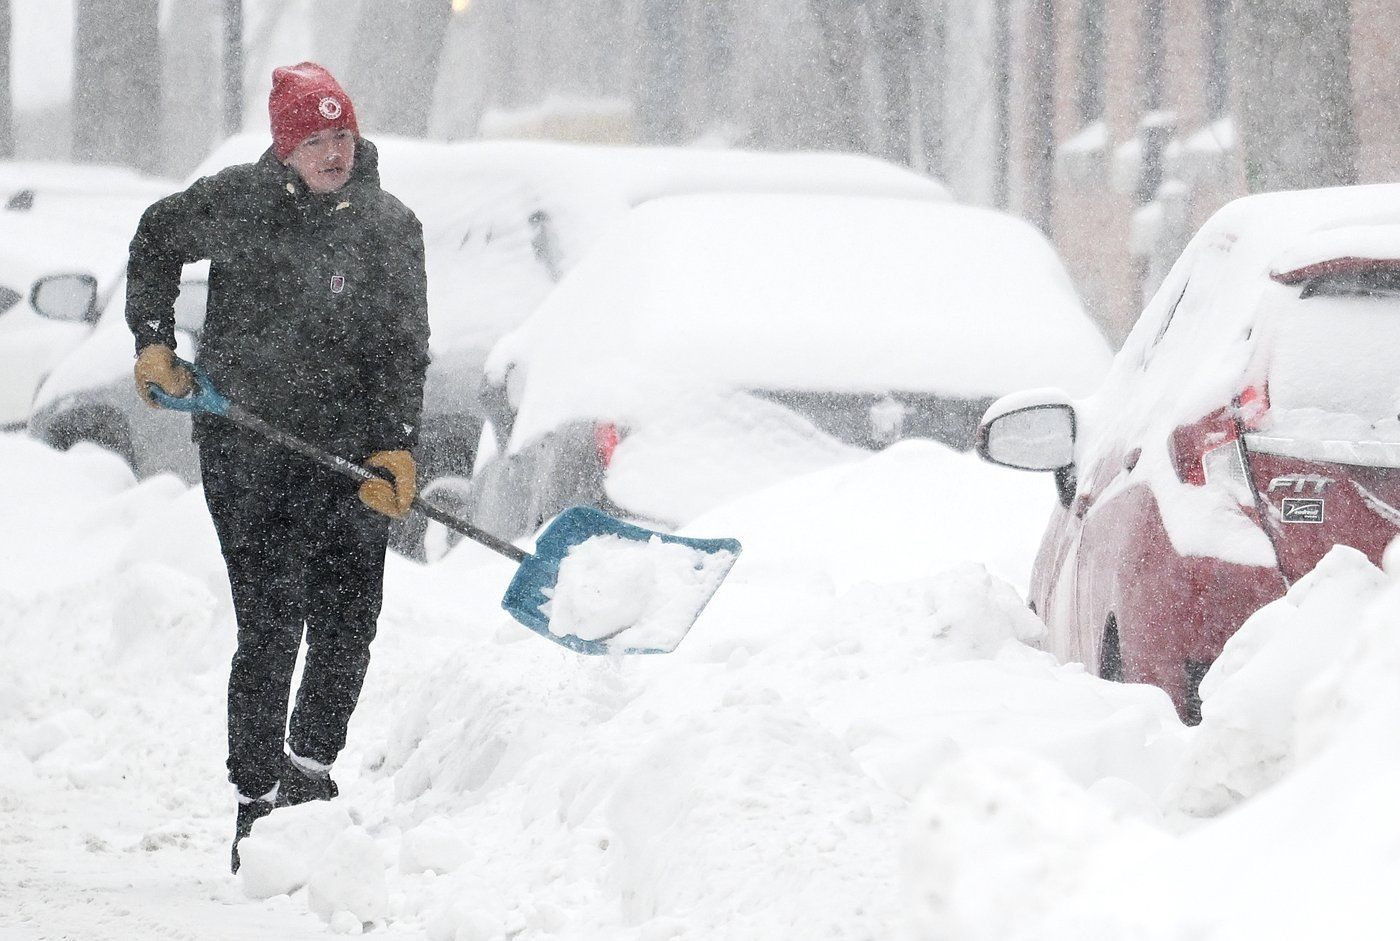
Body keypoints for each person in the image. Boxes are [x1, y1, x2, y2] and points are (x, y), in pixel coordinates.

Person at [124, 62, 430, 872]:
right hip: (247, 449)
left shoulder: (391, 227)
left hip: (350, 459)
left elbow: (404, 347)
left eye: (343, 135)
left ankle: (308, 776)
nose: (333, 152)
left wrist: (397, 442)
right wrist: (154, 339)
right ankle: (256, 802)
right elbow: (156, 237)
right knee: (272, 623)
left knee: (347, 624)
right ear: (285, 146)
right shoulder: (237, 203)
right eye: (316, 138)